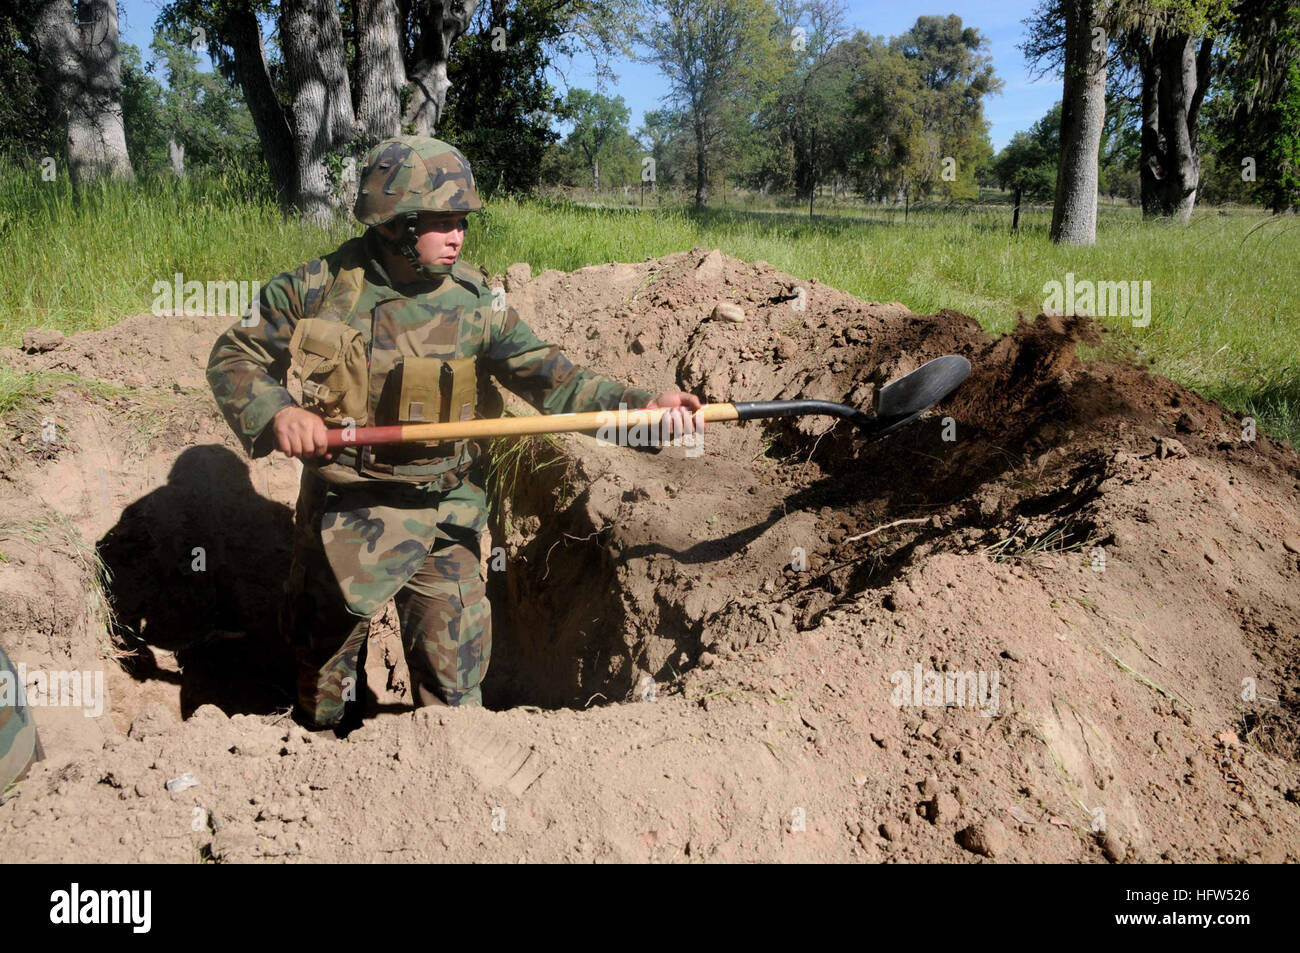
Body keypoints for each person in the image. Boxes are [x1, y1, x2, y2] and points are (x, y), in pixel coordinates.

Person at [207, 136, 703, 730]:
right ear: (394, 225)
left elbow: (558, 381)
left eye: (463, 221)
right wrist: (279, 412)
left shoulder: (478, 303)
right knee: (324, 686)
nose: (458, 236)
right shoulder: (315, 288)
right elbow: (234, 355)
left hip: (446, 513)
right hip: (344, 513)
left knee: (455, 705)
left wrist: (644, 407)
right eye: (442, 222)